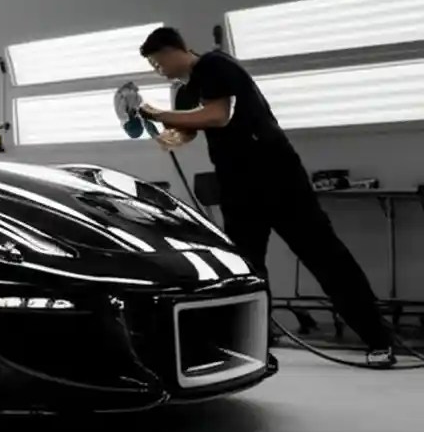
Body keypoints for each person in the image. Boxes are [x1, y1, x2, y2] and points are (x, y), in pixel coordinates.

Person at [137, 26, 396, 368]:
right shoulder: (187, 90)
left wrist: (156, 113)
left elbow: (218, 115)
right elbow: (184, 132)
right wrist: (142, 121)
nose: (159, 70)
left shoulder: (216, 66)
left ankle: (379, 340)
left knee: (324, 256)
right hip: (237, 185)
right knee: (248, 268)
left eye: (158, 62)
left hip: (276, 176)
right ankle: (254, 344)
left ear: (175, 50)